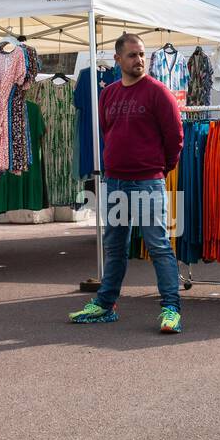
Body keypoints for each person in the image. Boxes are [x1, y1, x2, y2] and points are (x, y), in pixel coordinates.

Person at [69, 33, 184, 333]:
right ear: (118, 59)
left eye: (142, 54)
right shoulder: (108, 94)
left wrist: (160, 168)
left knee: (158, 246)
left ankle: (171, 308)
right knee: (115, 246)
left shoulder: (158, 93)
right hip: (116, 182)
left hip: (148, 182)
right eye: (132, 55)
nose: (139, 60)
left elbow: (175, 138)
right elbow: (108, 131)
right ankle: (106, 305)